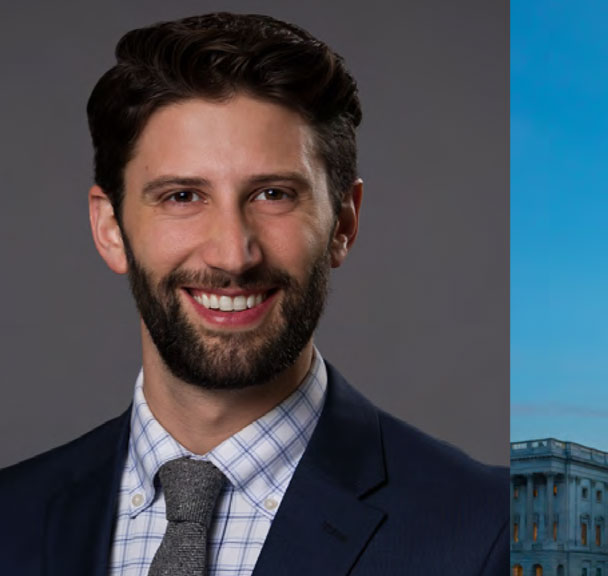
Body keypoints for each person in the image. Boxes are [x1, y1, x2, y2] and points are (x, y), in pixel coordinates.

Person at [0, 12, 507, 575]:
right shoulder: (13, 515)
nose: (232, 254)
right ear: (110, 228)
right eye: (182, 196)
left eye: (272, 193)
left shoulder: (485, 533)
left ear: (343, 222)